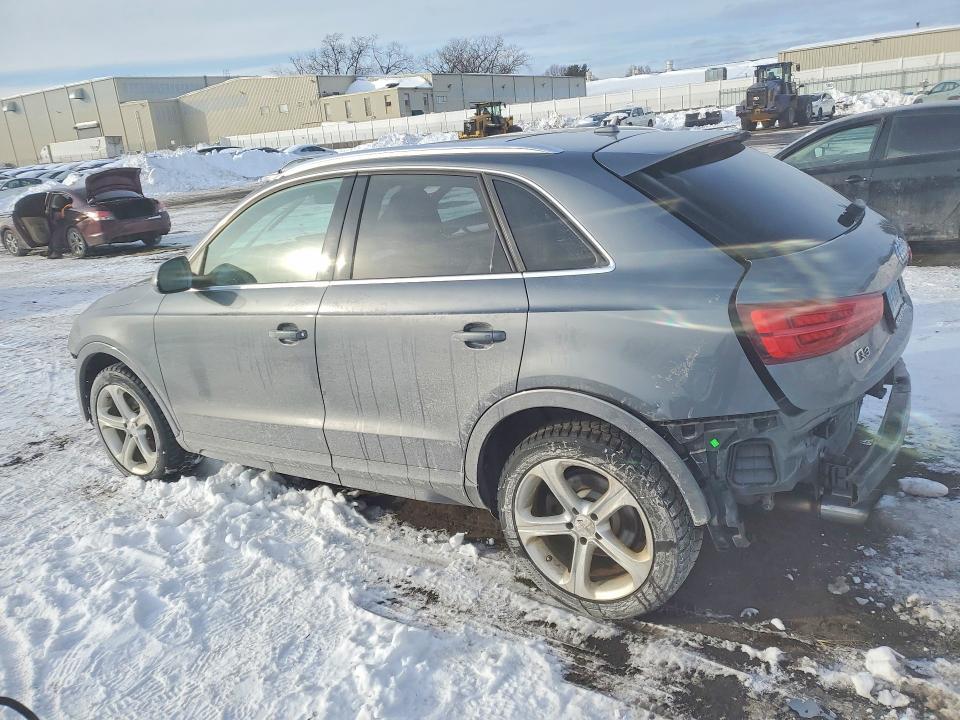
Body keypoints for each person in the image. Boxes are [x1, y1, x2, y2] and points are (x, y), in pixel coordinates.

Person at [46, 194, 72, 259]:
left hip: (58, 212)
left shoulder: (58, 195)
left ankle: (54, 251)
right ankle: (52, 250)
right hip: (60, 212)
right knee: (57, 232)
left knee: (57, 232)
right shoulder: (64, 194)